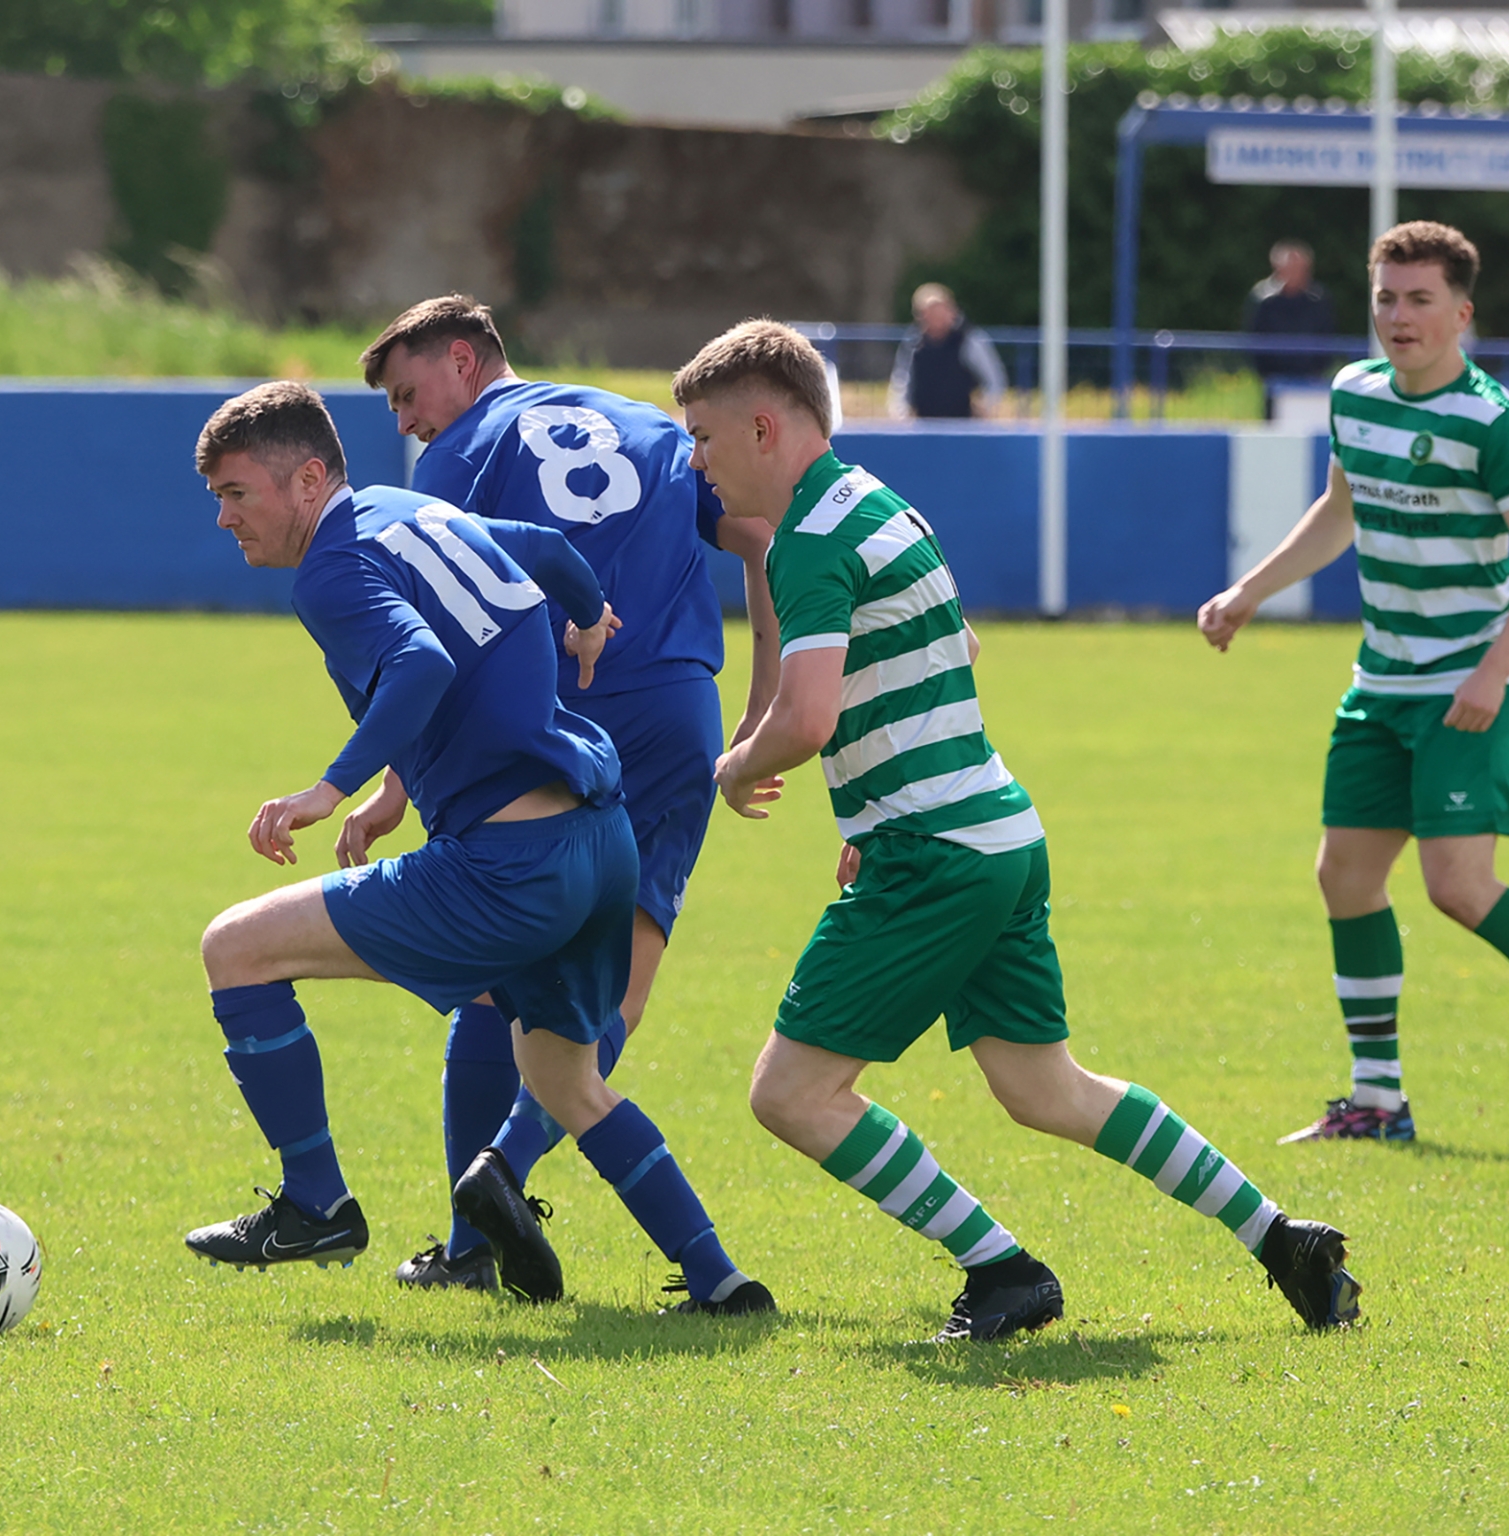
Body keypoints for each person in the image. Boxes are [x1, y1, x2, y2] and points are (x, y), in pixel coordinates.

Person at [674, 319, 1360, 1341]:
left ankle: (1003, 1271)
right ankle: (1280, 1237)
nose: (698, 463)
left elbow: (808, 718)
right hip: (994, 833)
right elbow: (960, 652)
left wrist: (732, 768)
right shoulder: (880, 504)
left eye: (703, 439)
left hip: (934, 856)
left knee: (793, 1093)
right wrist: (867, 797)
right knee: (1048, 1088)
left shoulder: (813, 539)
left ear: (765, 427)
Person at [183, 381, 772, 1317]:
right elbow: (546, 550)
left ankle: (316, 1205)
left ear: (305, 479)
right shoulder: (400, 507)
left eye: (237, 492)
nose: (223, 517)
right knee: (566, 1082)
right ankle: (723, 1283)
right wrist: (585, 619)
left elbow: (420, 662)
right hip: (597, 842)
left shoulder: (329, 571)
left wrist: (329, 788)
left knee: (234, 948)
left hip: (507, 869)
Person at [1198, 221, 1509, 1150]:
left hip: (1467, 683)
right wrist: (1250, 589)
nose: (1399, 317)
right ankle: (1378, 1099)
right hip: (1381, 681)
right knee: (1345, 875)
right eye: (1386, 297)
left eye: (1420, 301)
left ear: (1462, 313)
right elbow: (1340, 511)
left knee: (1458, 887)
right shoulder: (1354, 395)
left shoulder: (1490, 420)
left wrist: (1494, 671)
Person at [354, 295, 779, 1295]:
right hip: (677, 717)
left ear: (465, 361)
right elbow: (760, 534)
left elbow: (439, 639)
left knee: (499, 971)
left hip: (556, 729)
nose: (408, 420)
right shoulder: (648, 423)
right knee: (616, 989)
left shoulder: (458, 455)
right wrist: (760, 716)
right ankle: (506, 1169)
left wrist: (389, 785)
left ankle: (472, 1236)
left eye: (410, 394)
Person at [886, 283, 1007, 421]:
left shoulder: (969, 340)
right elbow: (901, 382)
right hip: (923, 426)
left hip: (965, 426)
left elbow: (994, 380)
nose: (936, 318)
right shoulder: (913, 344)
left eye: (940, 311)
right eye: (929, 314)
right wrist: (901, 413)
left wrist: (986, 405)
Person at [1243, 239, 1338, 413]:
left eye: (1300, 268)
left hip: (1311, 381)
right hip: (1274, 381)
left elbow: (1327, 336)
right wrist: (1267, 375)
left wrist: (1317, 372)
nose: (1295, 274)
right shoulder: (1263, 299)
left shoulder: (1319, 299)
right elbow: (1254, 340)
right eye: (1290, 268)